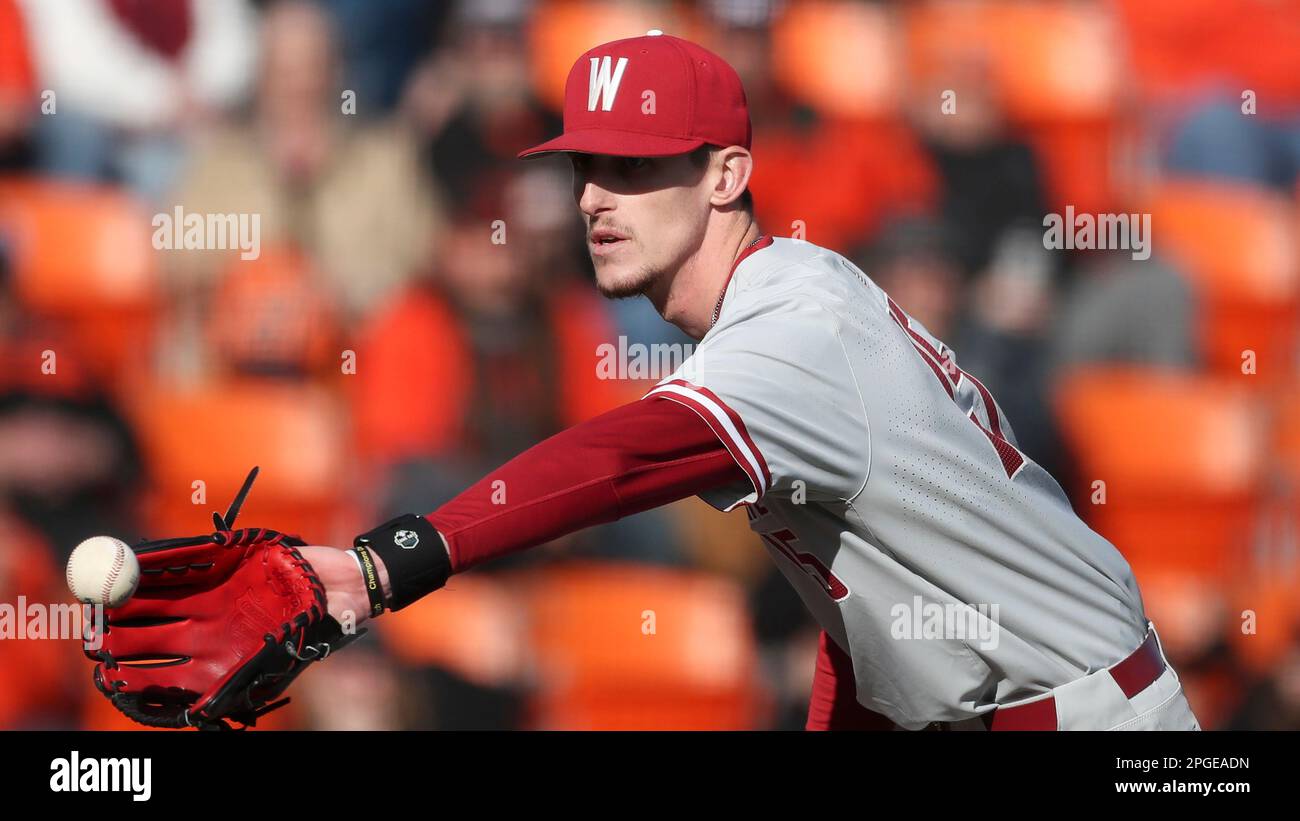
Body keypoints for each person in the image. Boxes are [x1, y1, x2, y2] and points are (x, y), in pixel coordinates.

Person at [304, 31, 1200, 731]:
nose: (590, 198)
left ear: (728, 174)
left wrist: (387, 563)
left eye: (634, 167)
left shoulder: (790, 331)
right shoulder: (795, 299)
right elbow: (864, 606)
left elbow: (617, 458)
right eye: (586, 168)